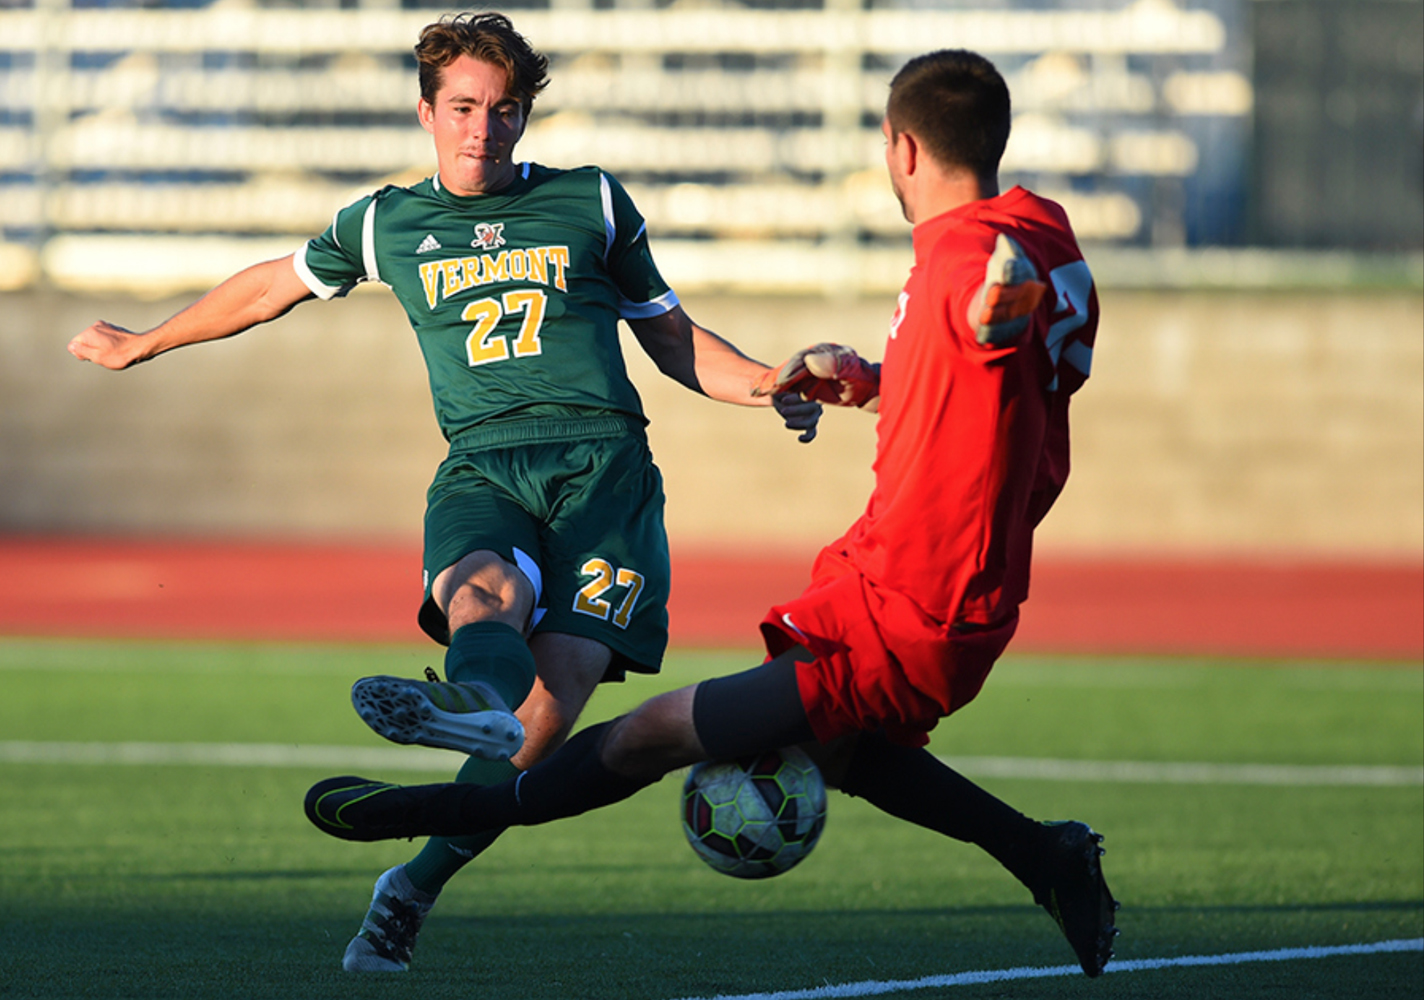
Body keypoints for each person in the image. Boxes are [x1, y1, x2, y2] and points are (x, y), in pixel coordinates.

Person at [303, 49, 1119, 978]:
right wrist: (870, 381)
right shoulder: (1038, 227)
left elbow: (989, 324)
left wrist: (986, 320)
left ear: (899, 148)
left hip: (920, 594)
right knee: (841, 750)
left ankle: (424, 818)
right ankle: (1045, 856)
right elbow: (986, 371)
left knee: (653, 733)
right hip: (915, 577)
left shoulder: (973, 257)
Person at [68, 10, 822, 975]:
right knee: (482, 595)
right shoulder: (386, 221)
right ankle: (471, 700)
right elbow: (270, 285)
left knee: (546, 721)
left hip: (606, 472)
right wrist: (143, 342)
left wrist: (768, 383)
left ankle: (412, 883)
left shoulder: (590, 202)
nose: (483, 129)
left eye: (503, 111)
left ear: (523, 118)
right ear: (427, 111)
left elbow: (670, 336)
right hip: (484, 463)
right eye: (463, 107)